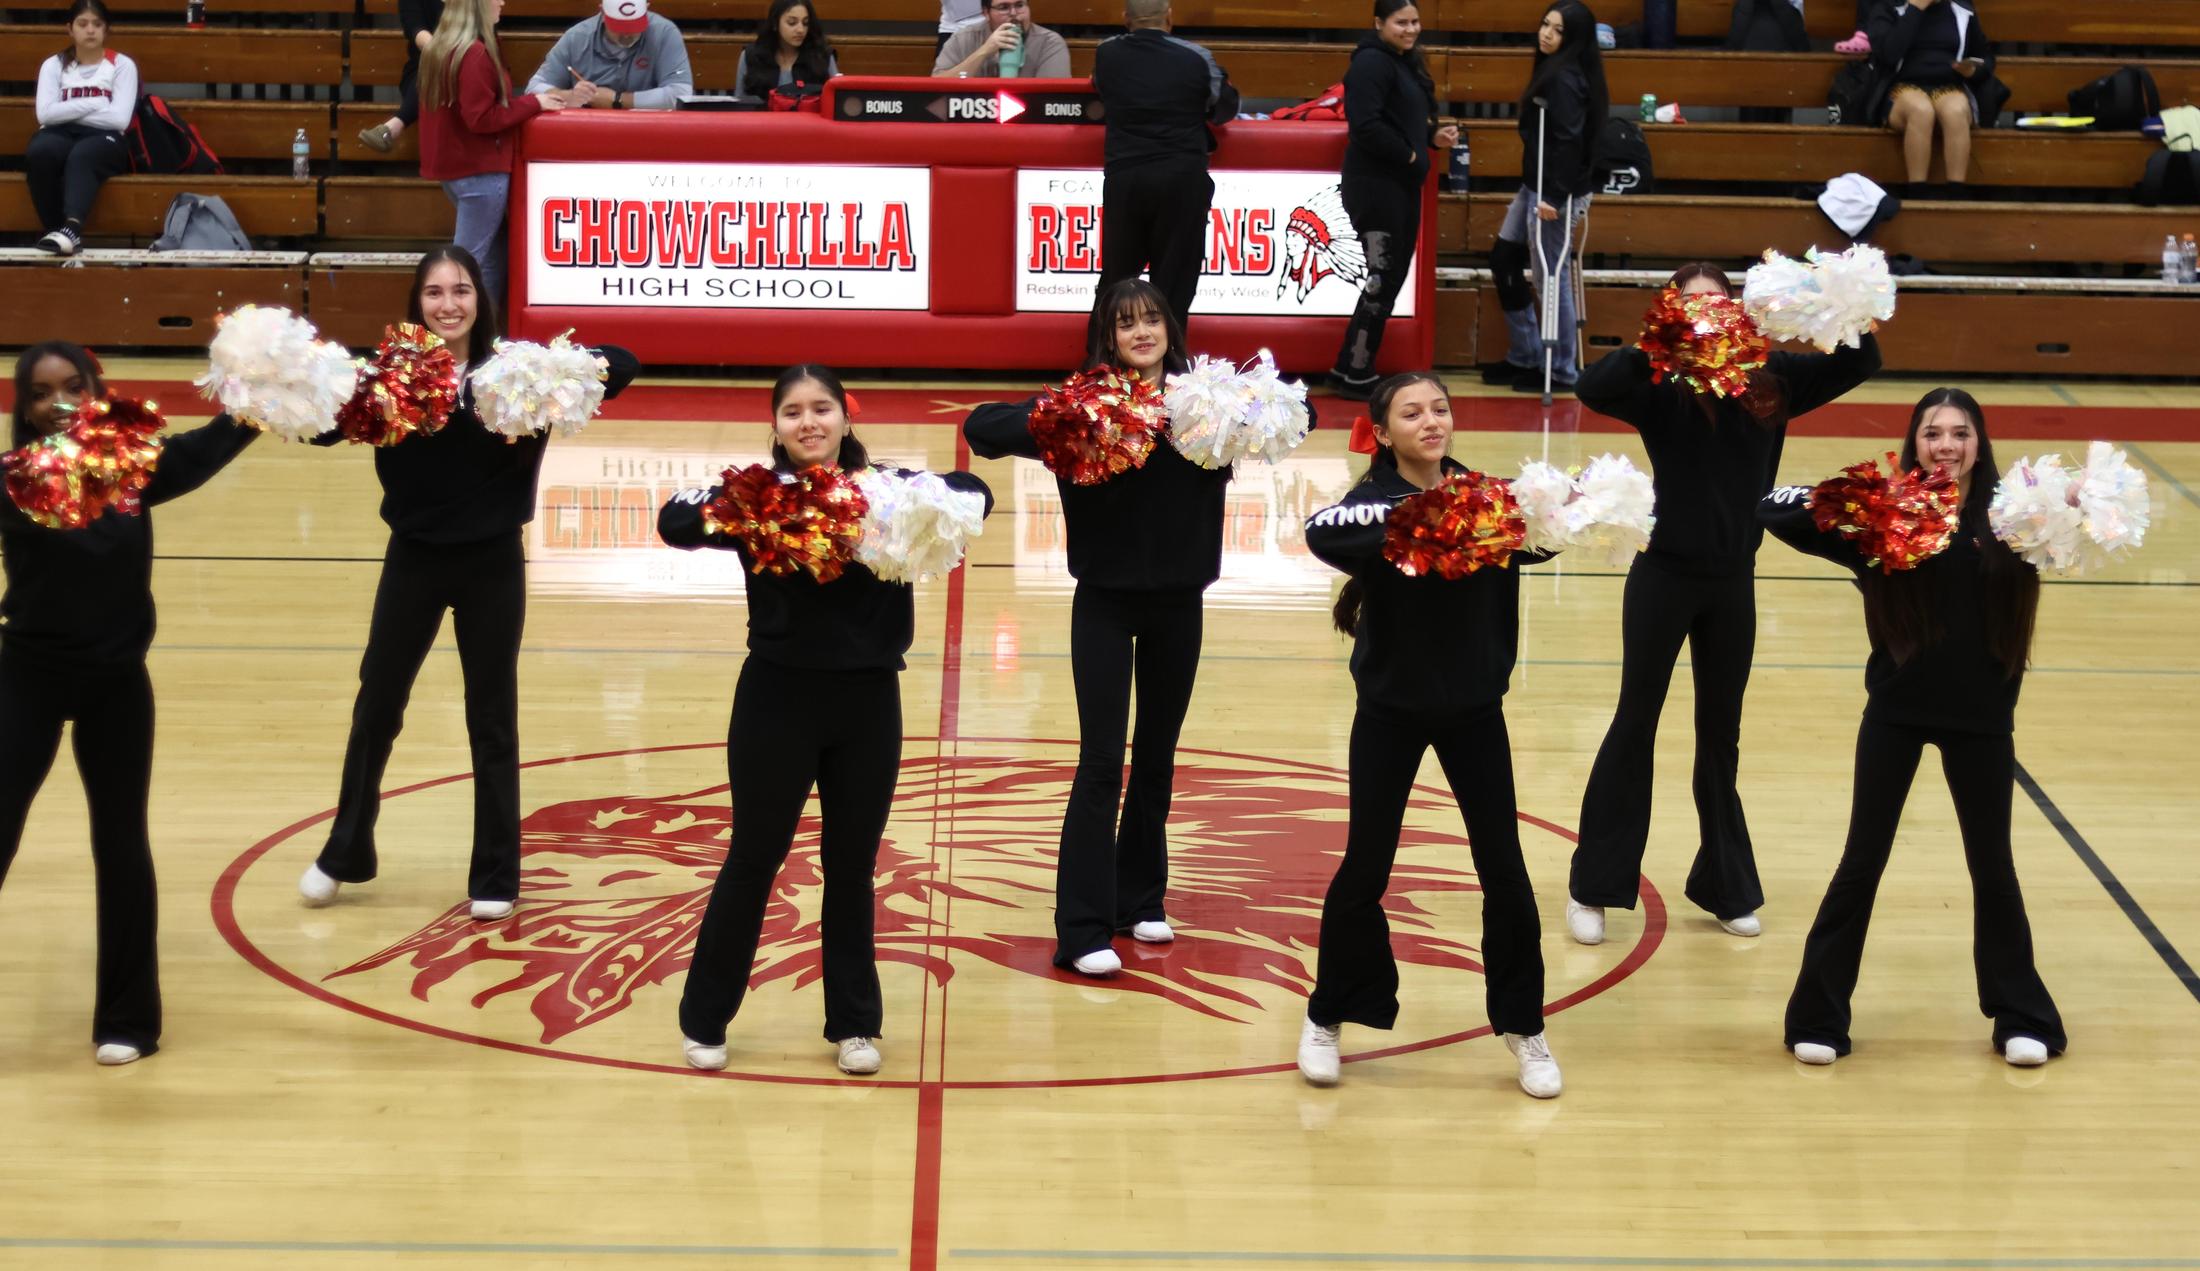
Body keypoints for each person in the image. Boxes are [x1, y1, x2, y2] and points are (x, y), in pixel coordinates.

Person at [665, 366, 992, 1077]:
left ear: (846, 415)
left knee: (852, 864)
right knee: (754, 857)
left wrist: (884, 496)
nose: (808, 422)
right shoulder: (756, 496)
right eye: (791, 412)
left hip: (869, 703)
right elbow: (676, 520)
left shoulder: (890, 491)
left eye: (821, 409)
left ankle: (855, 1022)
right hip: (775, 701)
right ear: (775, 425)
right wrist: (764, 505)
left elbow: (976, 493)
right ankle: (705, 1014)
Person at [299, 246, 638, 920]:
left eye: (460, 290)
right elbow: (321, 432)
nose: (448, 304)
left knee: (491, 716)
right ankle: (346, 849)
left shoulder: (515, 374)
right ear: (416, 303)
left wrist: (557, 368)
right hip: (413, 559)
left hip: (491, 563)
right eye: (433, 292)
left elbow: (623, 364)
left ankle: (496, 872)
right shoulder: (390, 377)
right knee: (377, 705)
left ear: (479, 299)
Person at [1566, 264, 1880, 947]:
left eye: (1718, 301)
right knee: (1635, 722)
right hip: (1662, 578)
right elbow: (1590, 385)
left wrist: (1831, 300)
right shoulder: (1659, 379)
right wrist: (1662, 339)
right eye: (1693, 303)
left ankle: (1726, 885)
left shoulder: (1771, 374)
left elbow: (1865, 356)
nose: (1709, 312)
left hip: (1733, 581)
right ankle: (1594, 885)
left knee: (1722, 736)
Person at [1760, 388, 2064, 1068]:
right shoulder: (1884, 514)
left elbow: (2090, 531)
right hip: (1896, 711)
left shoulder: (2016, 516)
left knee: (1993, 866)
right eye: (1933, 433)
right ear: (1914, 442)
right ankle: (1818, 1015)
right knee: (1861, 860)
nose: (1946, 445)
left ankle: (2023, 1014)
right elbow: (1770, 508)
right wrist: (1846, 498)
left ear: (1980, 443)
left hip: (1982, 718)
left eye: (1960, 432)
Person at [1295, 373, 1562, 1100]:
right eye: (1411, 412)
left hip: (1476, 710)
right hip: (1390, 710)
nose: (1431, 420)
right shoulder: (1369, 505)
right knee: (1366, 867)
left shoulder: (1488, 496)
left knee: (1503, 867)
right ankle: (1326, 1014)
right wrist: (1423, 516)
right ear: (1382, 432)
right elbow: (1323, 532)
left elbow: (1546, 540)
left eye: (1439, 408)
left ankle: (1523, 1025)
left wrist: (1553, 506)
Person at [962, 279, 1229, 977]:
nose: (1142, 332)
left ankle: (1138, 896)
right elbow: (982, 425)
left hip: (1181, 602)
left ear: (1172, 328)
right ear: (1106, 338)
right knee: (1103, 759)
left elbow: (1305, 410)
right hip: (1105, 604)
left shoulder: (1210, 406)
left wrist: (1203, 409)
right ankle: (1081, 927)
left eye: (1152, 319)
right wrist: (1068, 414)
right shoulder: (1084, 407)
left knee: (1160, 753)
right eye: (1125, 324)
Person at [0, 341, 257, 1066]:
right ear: (24, 410)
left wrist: (262, 401)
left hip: (117, 682)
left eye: (72, 386)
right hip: (28, 677)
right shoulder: (15, 482)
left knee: (120, 844)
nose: (59, 402)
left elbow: (208, 445)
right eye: (42, 393)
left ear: (96, 390)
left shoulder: (136, 468)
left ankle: (128, 1019)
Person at [1327, 0, 1458, 401]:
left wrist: (1431, 139)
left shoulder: (1405, 63)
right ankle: (1358, 370)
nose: (1410, 29)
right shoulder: (1370, 64)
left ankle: (1348, 366)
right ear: (1379, 23)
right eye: (1401, 22)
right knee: (1382, 277)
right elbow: (1365, 125)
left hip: (1399, 184)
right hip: (1375, 185)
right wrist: (1412, 154)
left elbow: (1404, 120)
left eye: (1415, 21)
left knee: (1389, 278)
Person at [1091, 0, 1239, 334]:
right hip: (1181, 176)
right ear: (1169, 18)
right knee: (1174, 281)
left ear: (1125, 18)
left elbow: (1098, 86)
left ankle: (1100, 364)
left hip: (1125, 176)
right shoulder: (1195, 57)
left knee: (1117, 275)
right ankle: (1166, 368)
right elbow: (1223, 108)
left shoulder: (1106, 53)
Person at [1482, 2, 1604, 395]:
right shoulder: (1553, 69)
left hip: (1555, 192)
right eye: (1545, 25)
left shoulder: (1565, 80)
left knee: (1552, 278)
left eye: (1558, 30)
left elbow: (1568, 141)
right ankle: (1527, 354)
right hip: (1535, 184)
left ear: (1575, 39)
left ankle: (1562, 368)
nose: (1547, 34)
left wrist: (1553, 195)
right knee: (1504, 258)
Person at [418, 0, 571, 303]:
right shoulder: (474, 53)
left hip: (456, 170)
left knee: (491, 259)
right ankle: (449, 342)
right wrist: (534, 103)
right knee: (465, 266)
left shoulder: (442, 47)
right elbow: (482, 118)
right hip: (481, 172)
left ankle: (480, 340)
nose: (502, 2)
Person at [27, 0, 137, 257]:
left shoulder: (122, 65)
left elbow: (119, 120)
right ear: (70, 29)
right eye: (83, 24)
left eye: (97, 24)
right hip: (59, 134)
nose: (90, 30)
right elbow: (44, 113)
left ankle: (72, 228)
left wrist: (67, 111)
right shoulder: (53, 65)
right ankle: (55, 230)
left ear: (106, 30)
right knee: (40, 151)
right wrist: (96, 102)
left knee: (82, 154)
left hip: (106, 138)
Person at [1863, 0, 2001, 190]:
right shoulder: (1889, 7)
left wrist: (1973, 71)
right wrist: (1915, 9)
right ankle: (1917, 192)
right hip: (1902, 88)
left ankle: (1956, 193)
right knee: (1921, 110)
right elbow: (1888, 54)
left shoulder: (1962, 10)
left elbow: (1986, 57)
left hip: (1949, 85)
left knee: (1955, 110)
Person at [524, 0, 694, 111]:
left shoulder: (664, 33)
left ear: (647, 8)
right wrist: (569, 97)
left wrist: (617, 100)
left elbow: (680, 93)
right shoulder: (577, 37)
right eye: (619, 27)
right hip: (588, 130)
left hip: (648, 129)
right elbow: (534, 88)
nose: (627, 34)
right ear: (602, 12)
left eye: (634, 26)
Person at [356, 0, 444, 154]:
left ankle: (392, 128)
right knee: (432, 73)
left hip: (466, 63)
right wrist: (444, 57)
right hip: (424, 66)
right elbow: (416, 30)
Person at [733, 0, 838, 104]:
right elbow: (739, 103)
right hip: (762, 119)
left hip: (809, 120)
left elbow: (836, 101)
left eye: (805, 23)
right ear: (775, 24)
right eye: (792, 23)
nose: (801, 30)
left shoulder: (822, 56)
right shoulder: (751, 56)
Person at [933, 0, 1069, 80]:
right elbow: (936, 87)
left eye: (1020, 5)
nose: (1014, 13)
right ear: (986, 13)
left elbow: (1052, 98)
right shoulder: (962, 39)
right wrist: (984, 52)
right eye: (1003, 7)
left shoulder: (1050, 43)